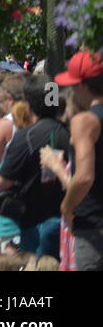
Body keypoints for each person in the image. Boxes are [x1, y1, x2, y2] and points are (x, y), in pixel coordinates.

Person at [0, 74, 65, 258]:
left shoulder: (25, 137)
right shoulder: (72, 131)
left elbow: (2, 182)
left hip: (37, 223)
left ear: (28, 104)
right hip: (70, 220)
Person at [46, 51, 103, 270]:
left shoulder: (85, 120)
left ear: (81, 86)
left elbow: (84, 176)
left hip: (93, 226)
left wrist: (66, 206)